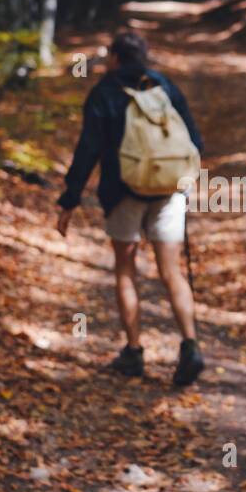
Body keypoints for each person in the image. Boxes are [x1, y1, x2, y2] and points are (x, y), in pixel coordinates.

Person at [56, 31, 206, 386]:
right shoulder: (164, 87)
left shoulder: (105, 92)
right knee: (171, 271)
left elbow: (87, 151)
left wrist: (69, 201)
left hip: (123, 192)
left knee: (126, 268)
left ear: (115, 59)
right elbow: (194, 142)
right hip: (168, 191)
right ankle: (190, 345)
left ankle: (134, 352)